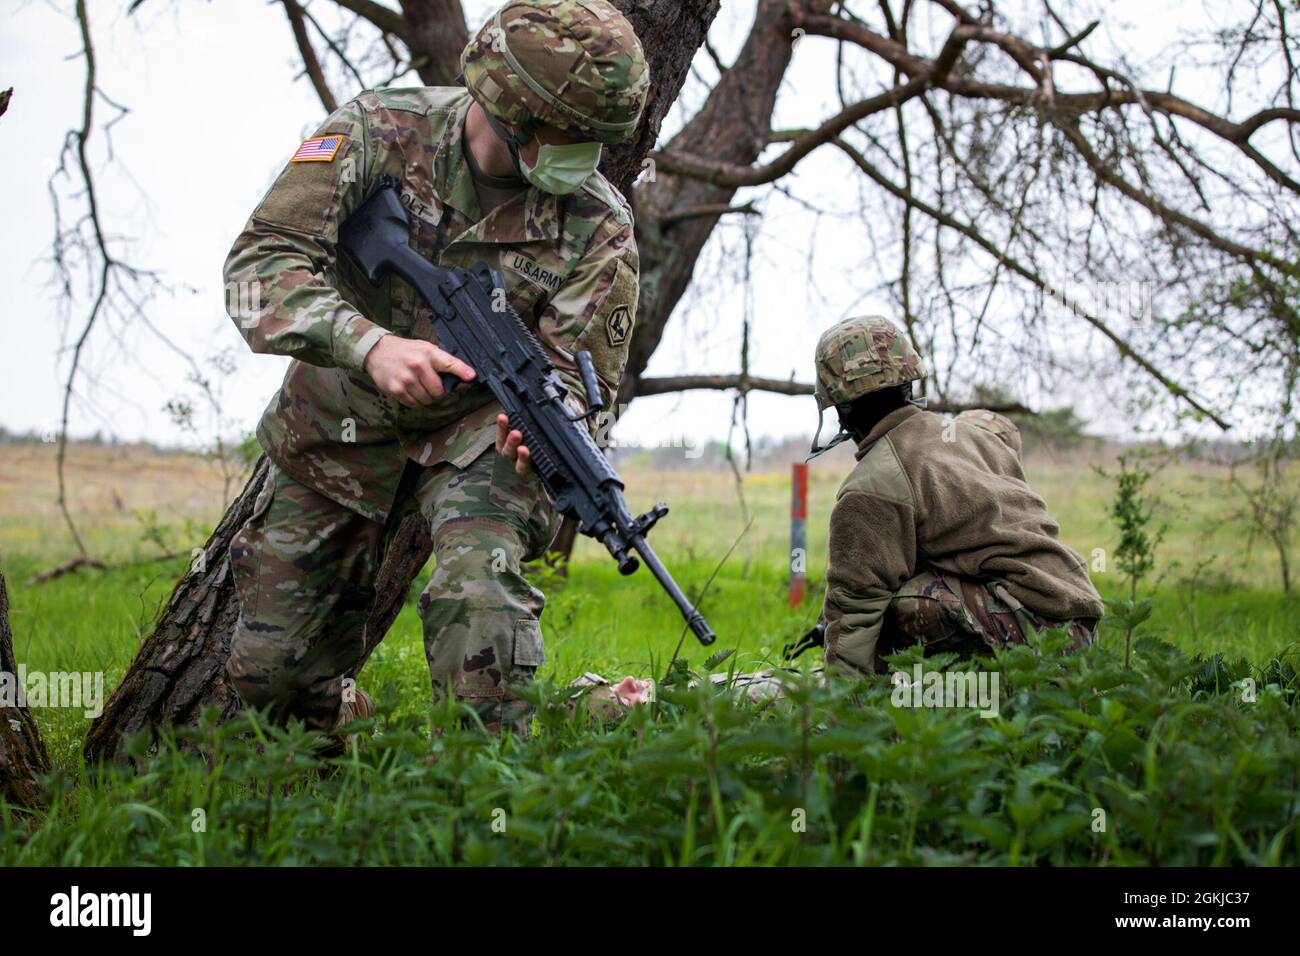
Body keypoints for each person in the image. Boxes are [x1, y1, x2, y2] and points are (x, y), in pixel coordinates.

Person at [221, 0, 649, 737]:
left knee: (481, 628)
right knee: (274, 679)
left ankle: (484, 794)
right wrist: (368, 344)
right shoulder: (379, 130)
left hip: (479, 433)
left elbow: (578, 379)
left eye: (598, 139)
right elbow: (255, 272)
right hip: (342, 416)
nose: (587, 154)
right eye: (571, 133)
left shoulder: (599, 224)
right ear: (512, 104)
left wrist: (556, 434)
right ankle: (357, 745)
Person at [809, 315, 1103, 675]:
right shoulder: (970, 436)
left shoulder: (872, 484)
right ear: (909, 382)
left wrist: (838, 712)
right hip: (1077, 629)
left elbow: (855, 610)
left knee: (894, 605)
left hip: (1032, 636)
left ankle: (908, 702)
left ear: (841, 409)